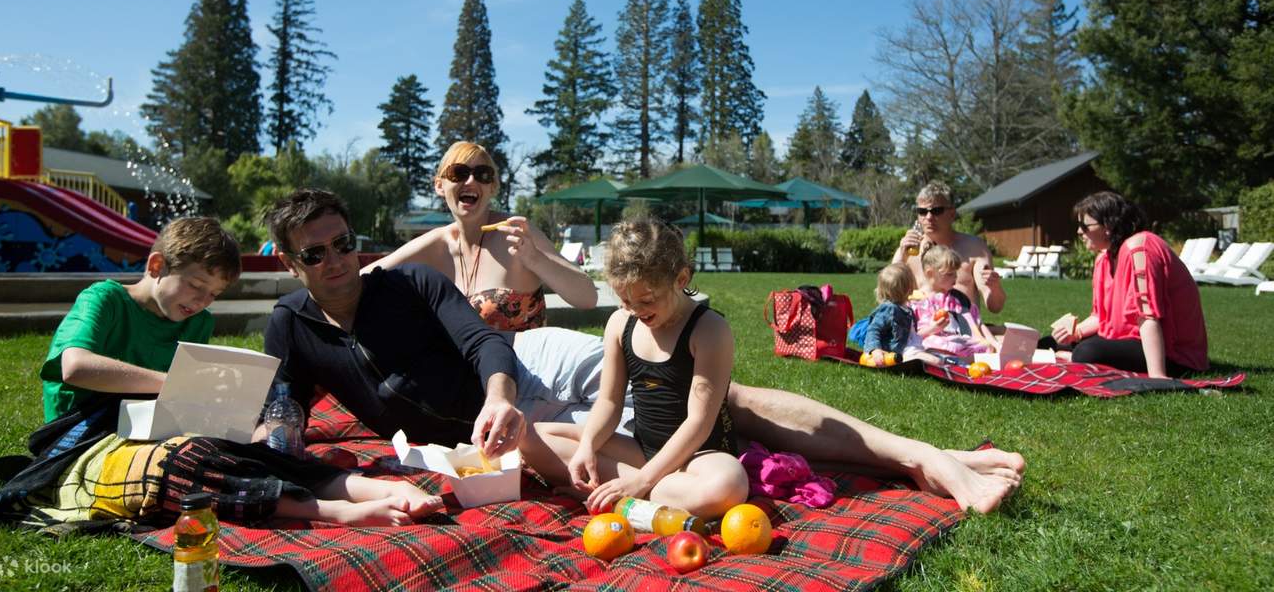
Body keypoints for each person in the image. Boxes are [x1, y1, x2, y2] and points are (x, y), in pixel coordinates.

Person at [265, 187, 1026, 514]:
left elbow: (483, 344)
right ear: (290, 263)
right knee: (645, 447)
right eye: (314, 253)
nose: (336, 261)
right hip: (511, 433)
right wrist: (280, 432)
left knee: (718, 398)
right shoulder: (290, 324)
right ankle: (918, 461)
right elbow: (281, 401)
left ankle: (921, 456)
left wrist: (499, 393)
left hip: (532, 369)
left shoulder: (403, 285)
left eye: (343, 243)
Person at [0, 218, 442, 531]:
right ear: (156, 266)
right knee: (182, 463)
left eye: (213, 295)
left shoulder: (195, 322)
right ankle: (332, 511)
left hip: (158, 428)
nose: (201, 302)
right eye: (196, 286)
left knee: (254, 448)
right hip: (86, 443)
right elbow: (75, 367)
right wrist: (173, 384)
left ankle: (370, 488)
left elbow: (187, 403)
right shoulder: (104, 300)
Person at [530, 219, 747, 519]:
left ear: (681, 279)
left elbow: (699, 423)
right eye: (625, 300)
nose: (636, 310)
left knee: (729, 485)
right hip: (641, 450)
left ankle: (621, 491)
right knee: (532, 435)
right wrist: (588, 446)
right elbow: (609, 402)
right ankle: (632, 492)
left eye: (646, 300)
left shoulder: (709, 329)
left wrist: (641, 481)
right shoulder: (621, 324)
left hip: (697, 458)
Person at [363, 141, 597, 329]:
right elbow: (361, 280)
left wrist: (536, 259)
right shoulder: (436, 243)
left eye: (482, 174)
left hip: (522, 370)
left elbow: (587, 298)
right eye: (458, 172)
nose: (470, 180)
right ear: (439, 185)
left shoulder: (515, 233)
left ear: (492, 187)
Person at [1047, 191, 1207, 378]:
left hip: (1170, 353)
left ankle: (1075, 359)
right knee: (1050, 343)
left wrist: (1157, 375)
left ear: (1108, 225)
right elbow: (1100, 317)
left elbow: (1148, 317)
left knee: (1086, 352)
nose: (1079, 232)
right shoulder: (1104, 259)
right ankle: (1072, 356)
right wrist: (1076, 333)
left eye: (1085, 226)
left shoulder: (1139, 249)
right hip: (1129, 339)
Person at [893, 181, 1006, 315]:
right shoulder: (910, 250)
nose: (929, 217)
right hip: (922, 325)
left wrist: (995, 287)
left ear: (952, 214)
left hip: (965, 325)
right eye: (922, 211)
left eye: (936, 211)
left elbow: (995, 307)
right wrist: (901, 257)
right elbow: (889, 295)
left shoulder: (975, 248)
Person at [913, 245, 996, 358]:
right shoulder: (918, 301)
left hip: (959, 342)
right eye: (949, 274)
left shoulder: (957, 299)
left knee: (985, 346)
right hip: (935, 343)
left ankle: (962, 359)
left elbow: (977, 323)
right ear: (930, 274)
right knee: (932, 344)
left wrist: (994, 343)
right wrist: (933, 328)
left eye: (955, 272)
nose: (955, 277)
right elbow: (913, 336)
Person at [863, 264, 918, 361]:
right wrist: (875, 350)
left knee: (930, 354)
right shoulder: (889, 309)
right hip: (895, 354)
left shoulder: (908, 310)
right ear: (909, 288)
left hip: (911, 348)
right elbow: (873, 330)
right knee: (930, 359)